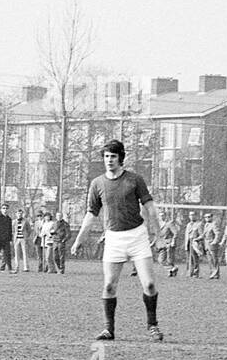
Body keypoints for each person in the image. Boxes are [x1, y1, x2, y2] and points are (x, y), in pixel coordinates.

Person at [70, 139, 163, 342]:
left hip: (137, 236)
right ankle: (108, 329)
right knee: (109, 286)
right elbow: (90, 215)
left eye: (113, 156)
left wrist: (158, 234)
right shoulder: (97, 184)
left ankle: (152, 326)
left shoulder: (134, 180)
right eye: (106, 156)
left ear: (121, 158)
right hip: (113, 238)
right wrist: (78, 240)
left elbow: (150, 207)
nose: (109, 160)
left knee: (149, 285)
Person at [183, 213, 204, 278]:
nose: (192, 216)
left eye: (193, 215)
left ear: (196, 216)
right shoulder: (188, 224)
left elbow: (201, 235)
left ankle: (195, 273)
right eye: (190, 215)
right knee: (188, 259)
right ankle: (189, 272)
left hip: (194, 244)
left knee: (195, 259)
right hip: (188, 243)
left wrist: (196, 240)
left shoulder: (199, 224)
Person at [202, 212, 222, 279]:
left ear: (211, 217)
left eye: (209, 217)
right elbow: (204, 235)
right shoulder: (206, 225)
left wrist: (214, 241)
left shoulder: (214, 224)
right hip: (207, 245)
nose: (207, 218)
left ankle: (216, 274)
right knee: (210, 260)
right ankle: (212, 272)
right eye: (206, 217)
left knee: (214, 259)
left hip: (212, 245)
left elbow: (217, 234)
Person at [12, 209, 29, 274]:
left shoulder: (25, 221)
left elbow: (29, 230)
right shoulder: (14, 221)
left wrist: (26, 236)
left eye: (21, 213)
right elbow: (12, 230)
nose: (19, 215)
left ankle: (26, 267)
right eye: (18, 213)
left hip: (23, 239)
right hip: (16, 239)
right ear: (16, 214)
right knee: (16, 254)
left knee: (25, 253)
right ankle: (17, 266)